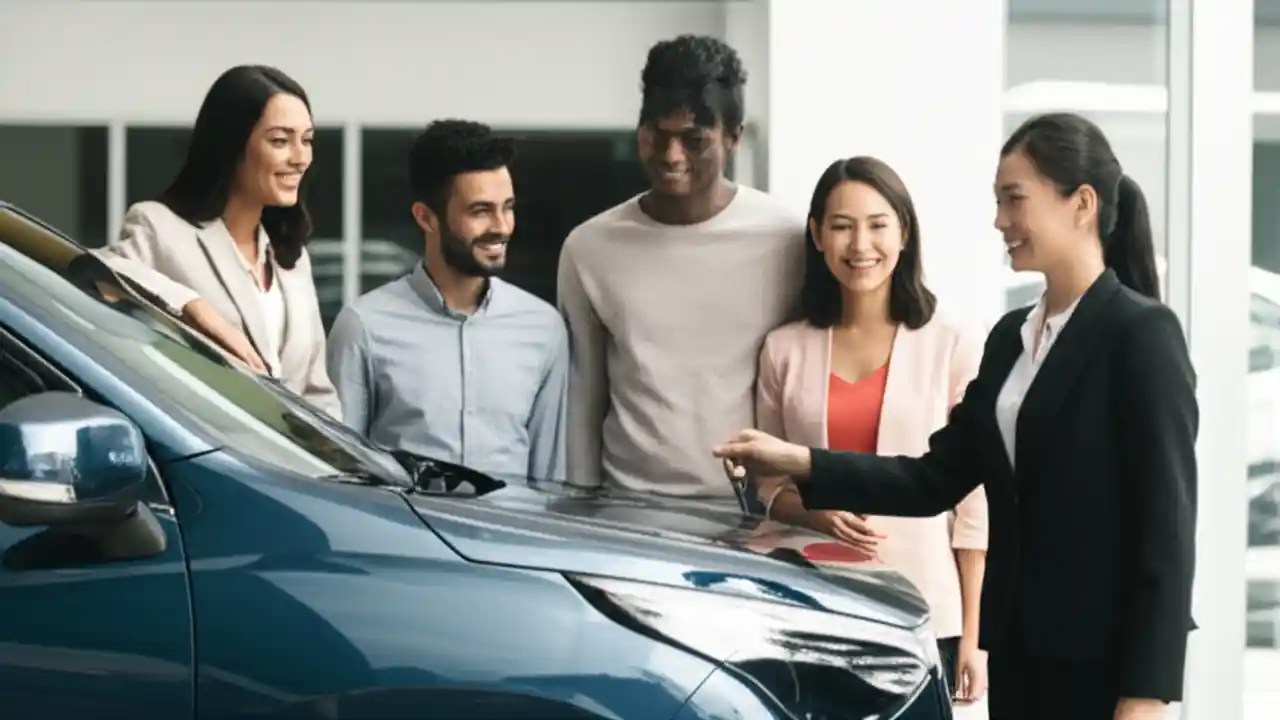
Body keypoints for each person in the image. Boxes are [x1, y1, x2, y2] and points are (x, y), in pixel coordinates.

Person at [714, 113, 1197, 720]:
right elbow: (932, 480)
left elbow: (1166, 533)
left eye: (1014, 200)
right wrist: (799, 461)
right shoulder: (1009, 340)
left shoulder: (1140, 333)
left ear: (1081, 204)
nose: (1000, 221)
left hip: (1101, 671)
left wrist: (1146, 695)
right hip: (1023, 659)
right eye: (998, 201)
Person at [754, 155, 989, 703]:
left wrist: (976, 637)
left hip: (926, 610)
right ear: (816, 235)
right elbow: (766, 487)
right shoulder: (783, 349)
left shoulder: (952, 340)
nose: (860, 245)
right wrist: (811, 511)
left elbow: (975, 503)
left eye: (878, 224)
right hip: (808, 606)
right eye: (841, 226)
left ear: (904, 232)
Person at [557, 34, 805, 496]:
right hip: (625, 514)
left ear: (733, 137)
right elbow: (582, 400)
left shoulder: (787, 239)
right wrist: (580, 508)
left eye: (693, 140)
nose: (672, 156)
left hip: (752, 515)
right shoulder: (589, 248)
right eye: (657, 134)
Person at [326, 120, 568, 482]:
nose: (501, 226)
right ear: (426, 217)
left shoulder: (543, 329)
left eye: (508, 207)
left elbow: (551, 477)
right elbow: (342, 472)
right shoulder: (363, 327)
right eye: (480, 210)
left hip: (508, 536)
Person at [100, 64, 340, 419]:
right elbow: (92, 275)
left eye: (306, 140)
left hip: (294, 469)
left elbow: (317, 393)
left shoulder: (291, 258)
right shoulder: (159, 226)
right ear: (231, 145)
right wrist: (191, 305)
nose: (300, 157)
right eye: (279, 140)